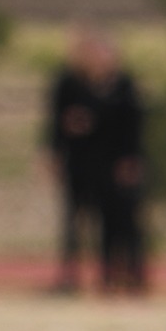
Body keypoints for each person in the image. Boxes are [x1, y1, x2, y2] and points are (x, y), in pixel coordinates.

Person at [43, 25, 146, 294]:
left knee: (113, 221)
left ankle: (116, 276)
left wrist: (130, 159)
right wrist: (54, 151)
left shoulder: (122, 85)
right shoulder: (68, 82)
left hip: (110, 163)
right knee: (73, 220)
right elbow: (55, 122)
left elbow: (131, 125)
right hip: (78, 162)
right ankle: (70, 276)